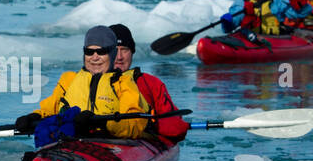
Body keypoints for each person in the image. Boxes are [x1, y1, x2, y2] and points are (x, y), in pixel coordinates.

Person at [13, 26, 150, 147]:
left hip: (108, 144)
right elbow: (50, 108)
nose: (94, 57)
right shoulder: (69, 80)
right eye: (89, 52)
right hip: (70, 142)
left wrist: (102, 123)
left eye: (101, 51)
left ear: (112, 54)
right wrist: (33, 117)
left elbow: (134, 124)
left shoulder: (124, 83)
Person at [108, 23, 188, 143]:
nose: (119, 57)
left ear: (132, 52)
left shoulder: (150, 84)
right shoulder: (89, 82)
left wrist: (152, 124)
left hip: (139, 145)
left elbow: (176, 128)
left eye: (124, 50)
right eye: (114, 50)